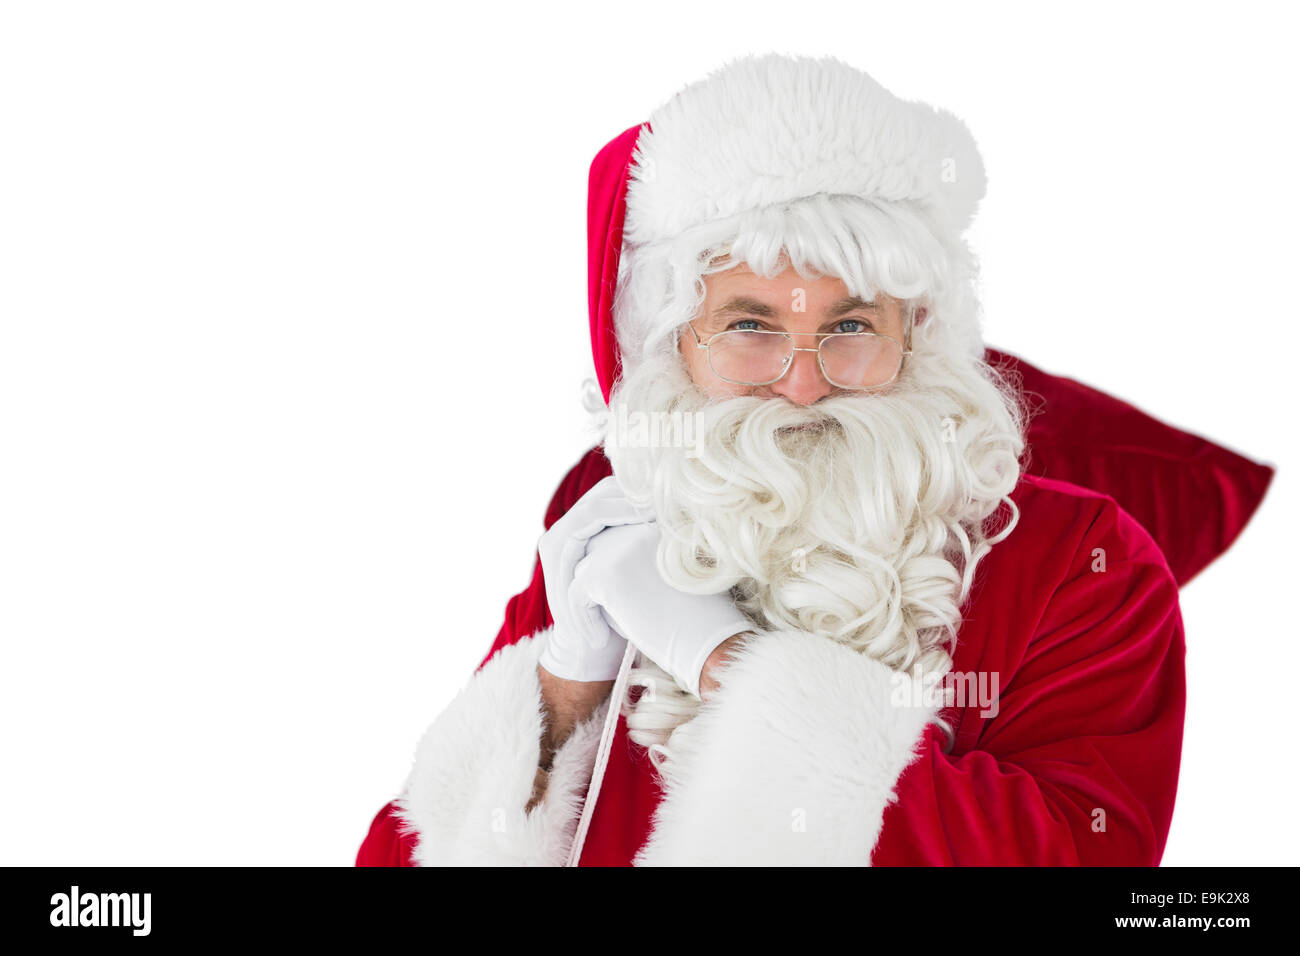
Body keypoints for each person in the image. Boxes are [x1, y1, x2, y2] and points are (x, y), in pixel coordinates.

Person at [355, 52, 1186, 866]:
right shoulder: (614, 525)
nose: (801, 384)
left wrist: (732, 667)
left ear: (917, 338)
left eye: (851, 327)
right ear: (672, 345)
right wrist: (565, 688)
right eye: (751, 326)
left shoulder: (1081, 563)